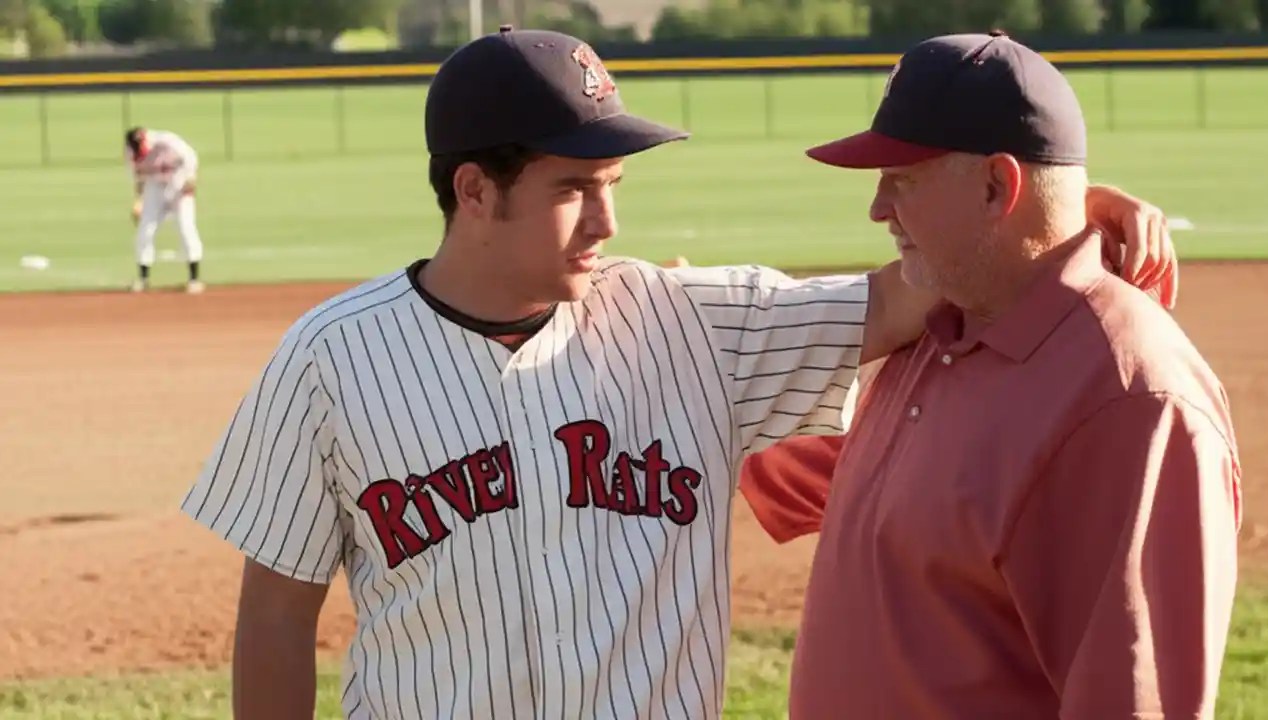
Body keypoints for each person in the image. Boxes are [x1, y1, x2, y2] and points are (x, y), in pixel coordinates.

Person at [178, 26, 1177, 720]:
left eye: (613, 185)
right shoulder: (330, 358)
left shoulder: (693, 325)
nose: (609, 222)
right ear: (475, 192)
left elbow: (905, 295)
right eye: (575, 190)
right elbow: (275, 614)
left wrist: (1056, 199)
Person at [739, 31, 1242, 720]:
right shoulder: (941, 330)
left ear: (996, 185)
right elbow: (805, 478)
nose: (878, 208)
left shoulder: (1132, 405)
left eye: (904, 178)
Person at [124, 126, 204, 294]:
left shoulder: (168, 142)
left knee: (185, 227)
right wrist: (138, 201)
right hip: (155, 188)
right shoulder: (131, 152)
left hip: (179, 185)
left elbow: (191, 157)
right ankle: (143, 279)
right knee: (145, 230)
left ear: (146, 139)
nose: (140, 152)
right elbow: (139, 176)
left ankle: (194, 279)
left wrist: (191, 179)